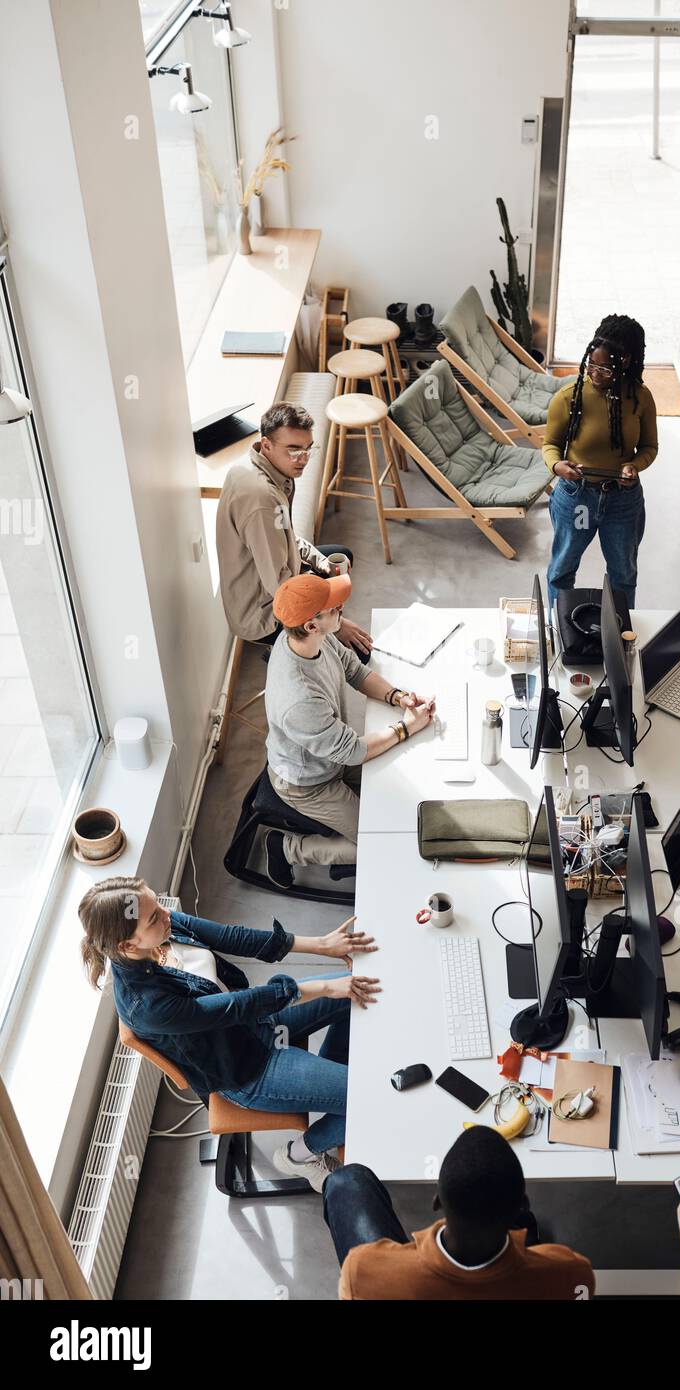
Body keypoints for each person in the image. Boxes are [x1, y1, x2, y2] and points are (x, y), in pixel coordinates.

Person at [79, 877, 381, 1191]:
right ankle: (299, 1155)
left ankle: (333, 1084)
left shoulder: (162, 926)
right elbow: (235, 1006)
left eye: (158, 904)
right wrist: (325, 988)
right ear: (127, 945)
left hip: (259, 1022)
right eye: (154, 917)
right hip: (249, 1069)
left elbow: (233, 937)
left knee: (362, 983)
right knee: (373, 1095)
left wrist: (321, 945)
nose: (167, 914)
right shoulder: (146, 1005)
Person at [264, 571, 435, 876]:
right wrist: (406, 727)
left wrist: (398, 697)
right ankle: (289, 850)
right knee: (383, 838)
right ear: (311, 624)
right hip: (310, 783)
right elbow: (352, 751)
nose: (341, 608)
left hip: (334, 754)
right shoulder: (299, 699)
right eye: (334, 608)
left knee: (404, 774)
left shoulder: (314, 639)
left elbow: (354, 670)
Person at [323, 1126, 596, 1300]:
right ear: (521, 1203)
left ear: (437, 1201)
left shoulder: (362, 1271)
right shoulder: (570, 1273)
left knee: (346, 1182)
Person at [215, 401, 372, 659]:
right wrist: (337, 625)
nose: (303, 459)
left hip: (273, 578)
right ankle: (286, 654)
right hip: (263, 612)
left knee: (339, 557)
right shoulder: (261, 499)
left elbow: (286, 539)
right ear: (267, 444)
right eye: (293, 450)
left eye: (307, 449)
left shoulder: (264, 465)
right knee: (357, 655)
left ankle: (289, 651)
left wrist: (320, 564)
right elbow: (282, 590)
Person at [544, 314, 658, 611]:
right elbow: (550, 446)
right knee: (562, 570)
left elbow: (649, 447)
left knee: (623, 574)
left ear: (627, 361)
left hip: (623, 501)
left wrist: (635, 466)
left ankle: (620, 634)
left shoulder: (641, 398)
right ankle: (560, 632)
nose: (595, 373)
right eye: (591, 365)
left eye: (605, 369)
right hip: (577, 497)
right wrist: (558, 467)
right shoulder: (569, 397)